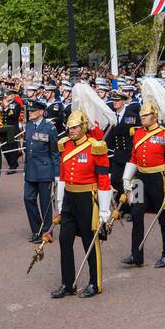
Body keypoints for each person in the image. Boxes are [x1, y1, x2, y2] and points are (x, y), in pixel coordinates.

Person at [49, 109, 112, 296]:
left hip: (88, 199)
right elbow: (62, 176)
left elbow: (103, 179)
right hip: (69, 198)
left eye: (75, 127)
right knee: (64, 239)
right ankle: (68, 284)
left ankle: (95, 283)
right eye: (70, 128)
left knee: (89, 241)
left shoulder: (95, 146)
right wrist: (60, 202)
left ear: (84, 127)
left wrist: (104, 210)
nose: (72, 130)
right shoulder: (65, 145)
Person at [121, 78, 165, 267]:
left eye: (145, 116)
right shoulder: (137, 133)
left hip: (158, 178)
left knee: (163, 216)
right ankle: (136, 255)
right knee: (136, 214)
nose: (142, 118)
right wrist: (126, 177)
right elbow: (133, 157)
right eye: (141, 115)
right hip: (140, 179)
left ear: (155, 116)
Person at [22, 99, 59, 244]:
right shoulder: (29, 125)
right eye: (29, 111)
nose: (30, 113)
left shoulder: (50, 128)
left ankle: (47, 232)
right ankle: (36, 229)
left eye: (33, 111)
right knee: (28, 198)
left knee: (45, 203)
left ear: (41, 112)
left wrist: (56, 174)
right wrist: (25, 169)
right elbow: (28, 149)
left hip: (45, 170)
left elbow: (54, 152)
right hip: (31, 170)